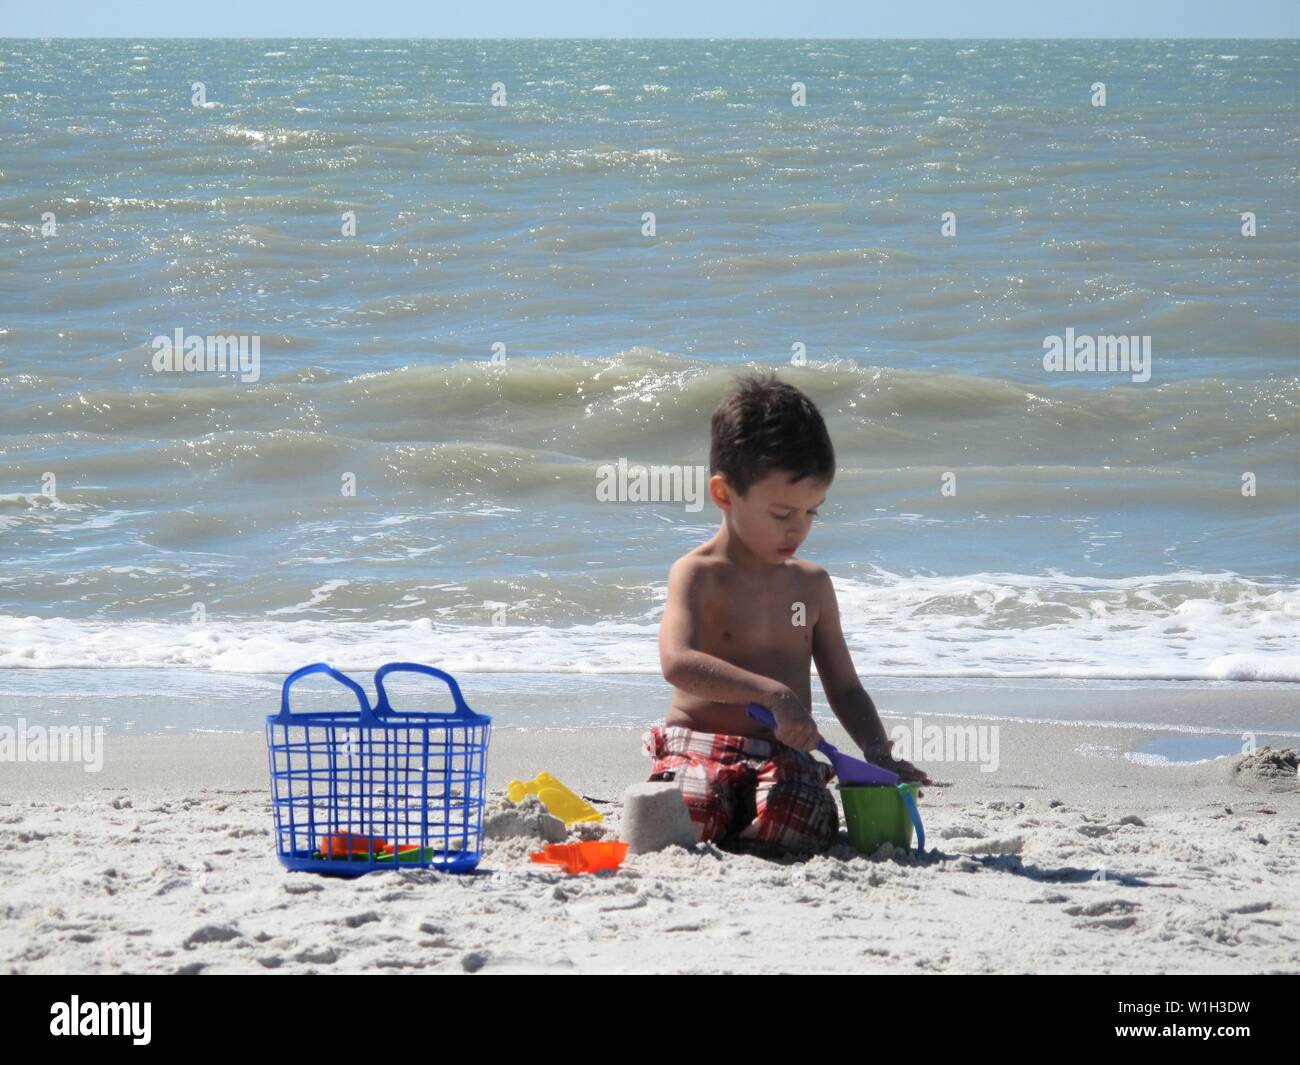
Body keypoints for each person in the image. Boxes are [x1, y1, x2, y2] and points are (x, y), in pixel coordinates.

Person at [645, 372, 931, 856]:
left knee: (796, 819)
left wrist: (878, 753)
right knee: (691, 810)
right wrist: (773, 694)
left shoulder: (811, 585)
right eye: (781, 515)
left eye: (812, 513)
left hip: (783, 755)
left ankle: (746, 827)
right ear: (723, 494)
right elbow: (679, 662)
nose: (797, 530)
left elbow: (844, 686)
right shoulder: (698, 575)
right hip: (700, 744)